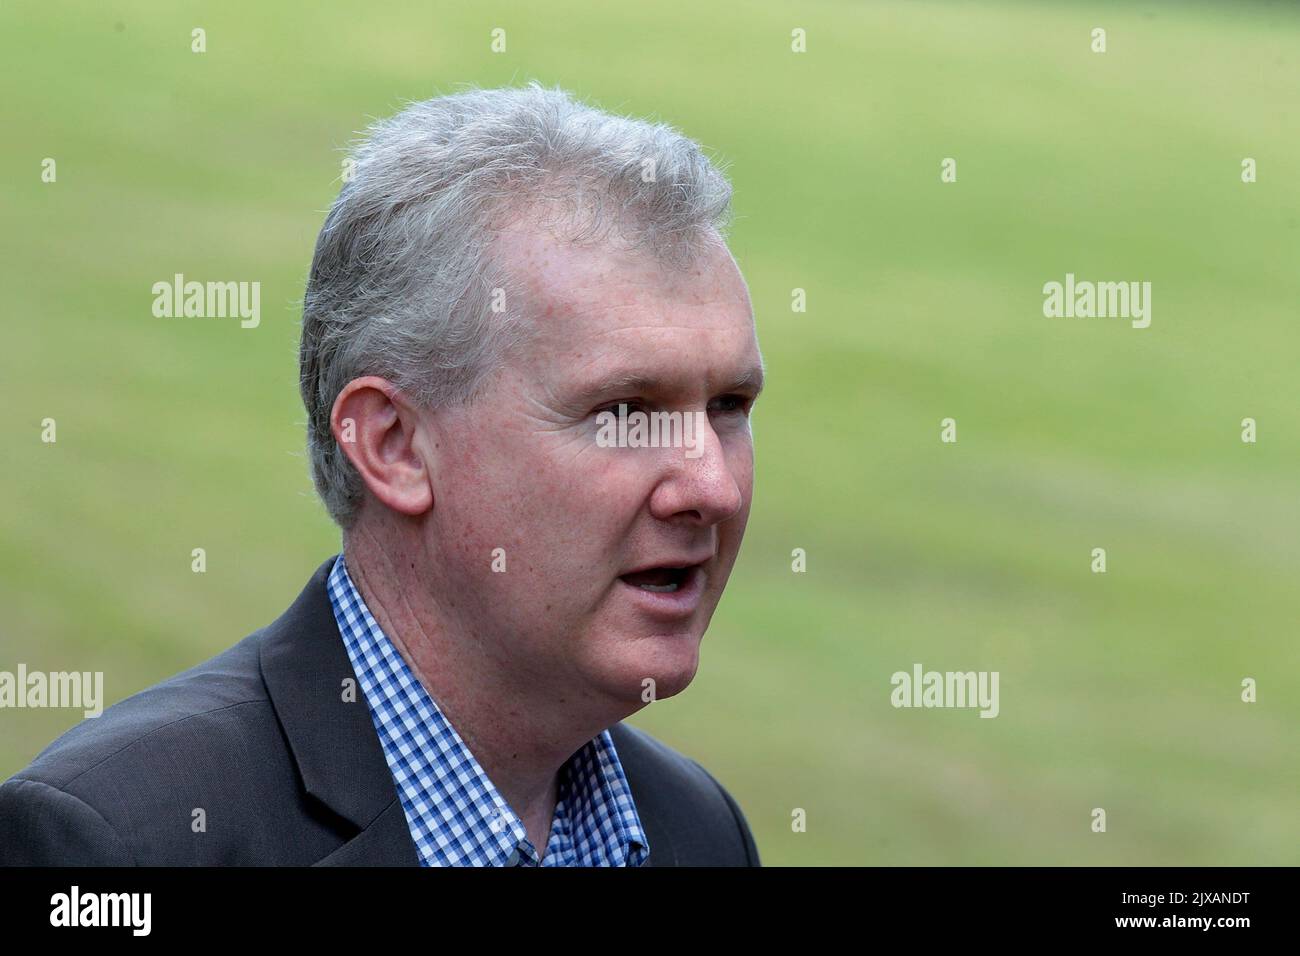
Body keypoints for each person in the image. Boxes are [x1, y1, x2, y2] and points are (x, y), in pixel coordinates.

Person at [0, 83, 764, 866]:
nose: (715, 488)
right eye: (626, 413)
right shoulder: (116, 841)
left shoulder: (699, 830)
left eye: (730, 406)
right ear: (394, 446)